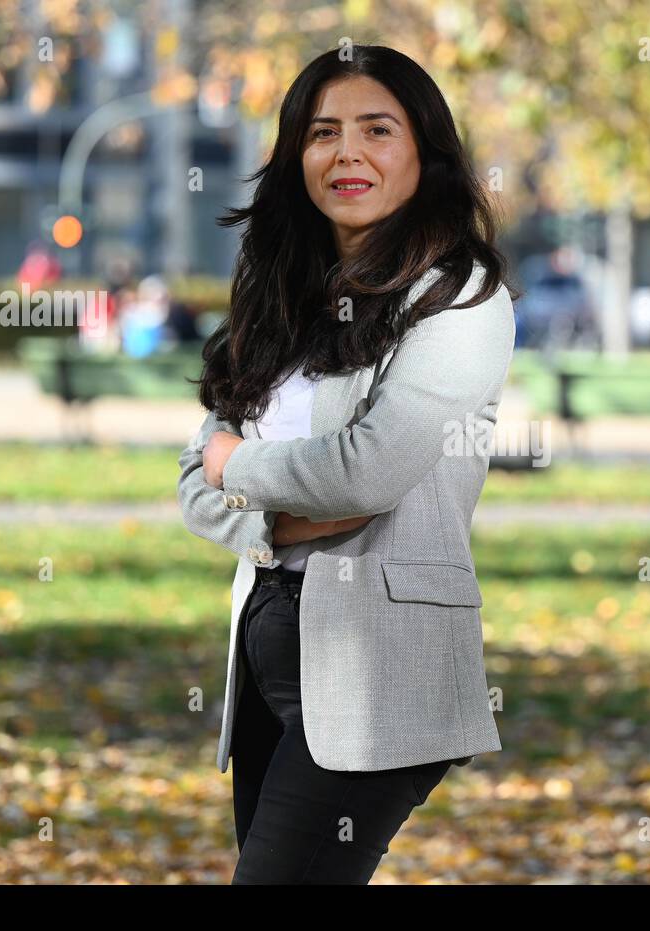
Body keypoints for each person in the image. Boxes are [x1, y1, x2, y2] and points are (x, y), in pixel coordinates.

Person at [176, 45, 515, 884]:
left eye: (377, 129)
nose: (347, 153)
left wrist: (241, 471)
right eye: (323, 132)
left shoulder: (460, 297)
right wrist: (277, 504)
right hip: (267, 663)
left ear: (424, 153)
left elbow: (366, 474)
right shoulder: (279, 289)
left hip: (379, 671)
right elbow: (195, 475)